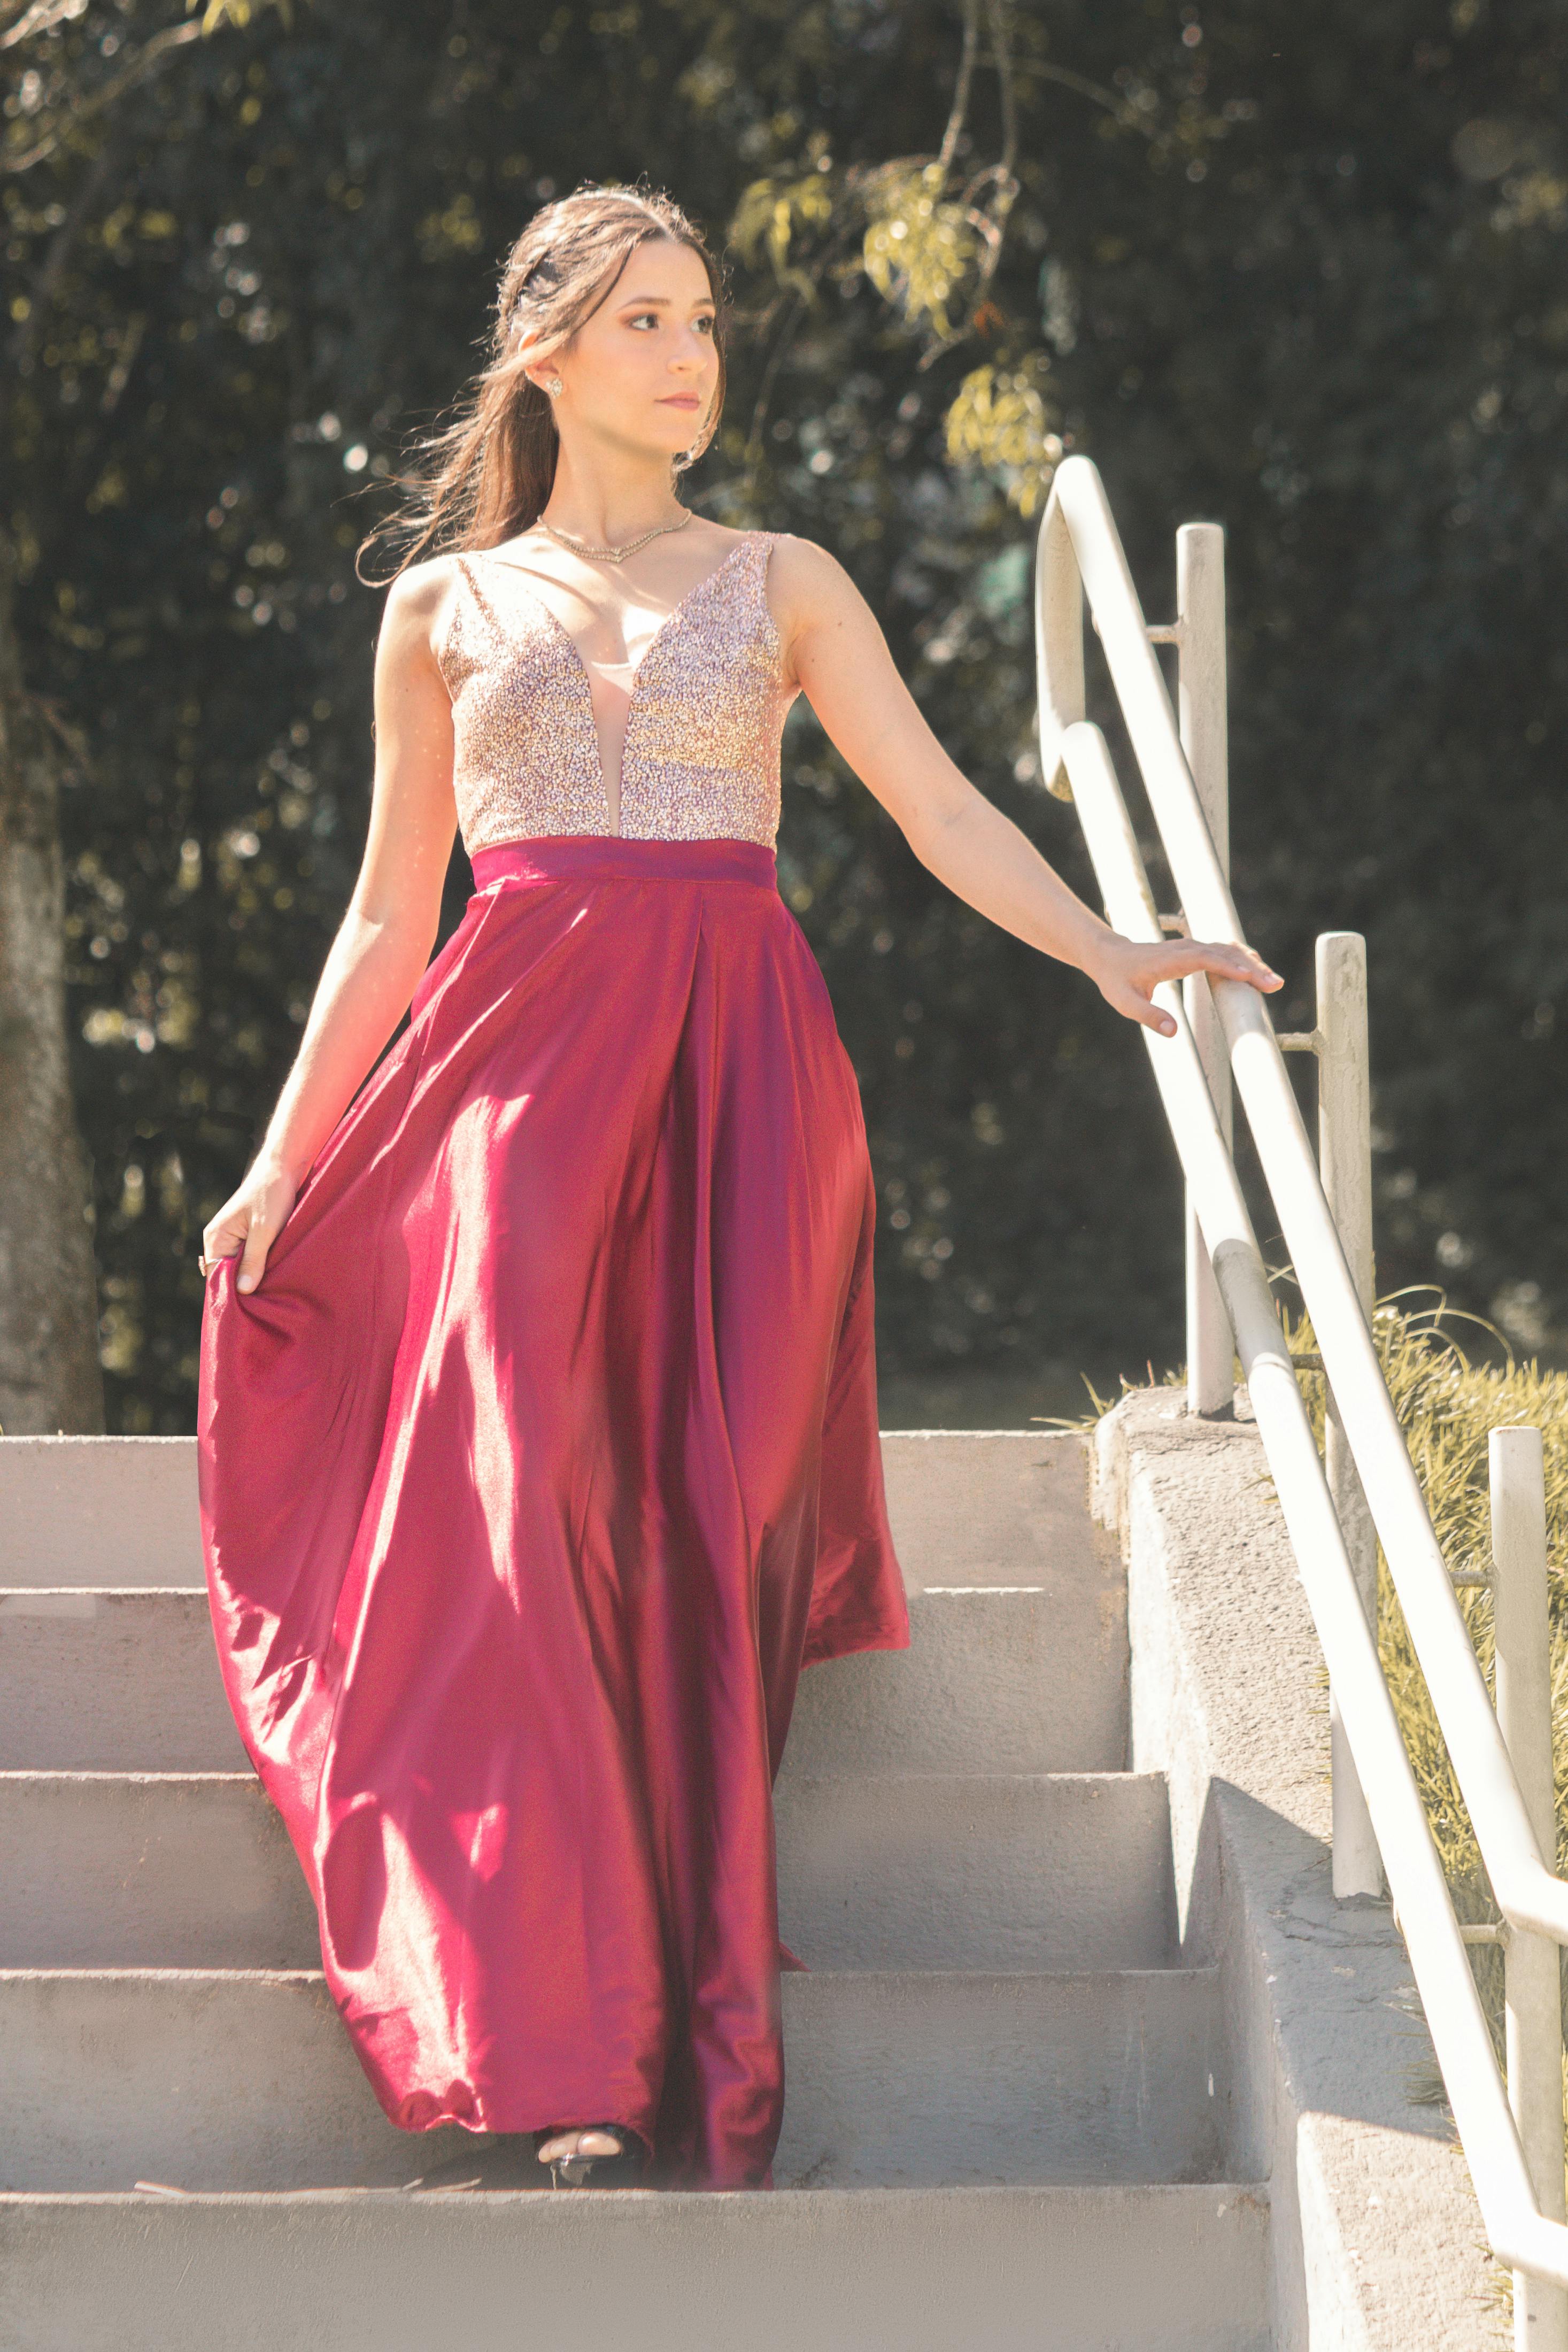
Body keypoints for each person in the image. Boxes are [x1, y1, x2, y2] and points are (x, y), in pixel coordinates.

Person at [196, 181, 1281, 2197]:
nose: (694, 356)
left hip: (748, 1083)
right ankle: (575, 2053)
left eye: (705, 318)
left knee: (706, 1531)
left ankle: (692, 2007)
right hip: (509, 1080)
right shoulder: (439, 611)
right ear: (549, 355)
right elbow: (378, 914)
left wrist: (1115, 950)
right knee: (540, 1525)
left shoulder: (787, 579)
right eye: (647, 322)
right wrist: (280, 1160)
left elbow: (944, 802)